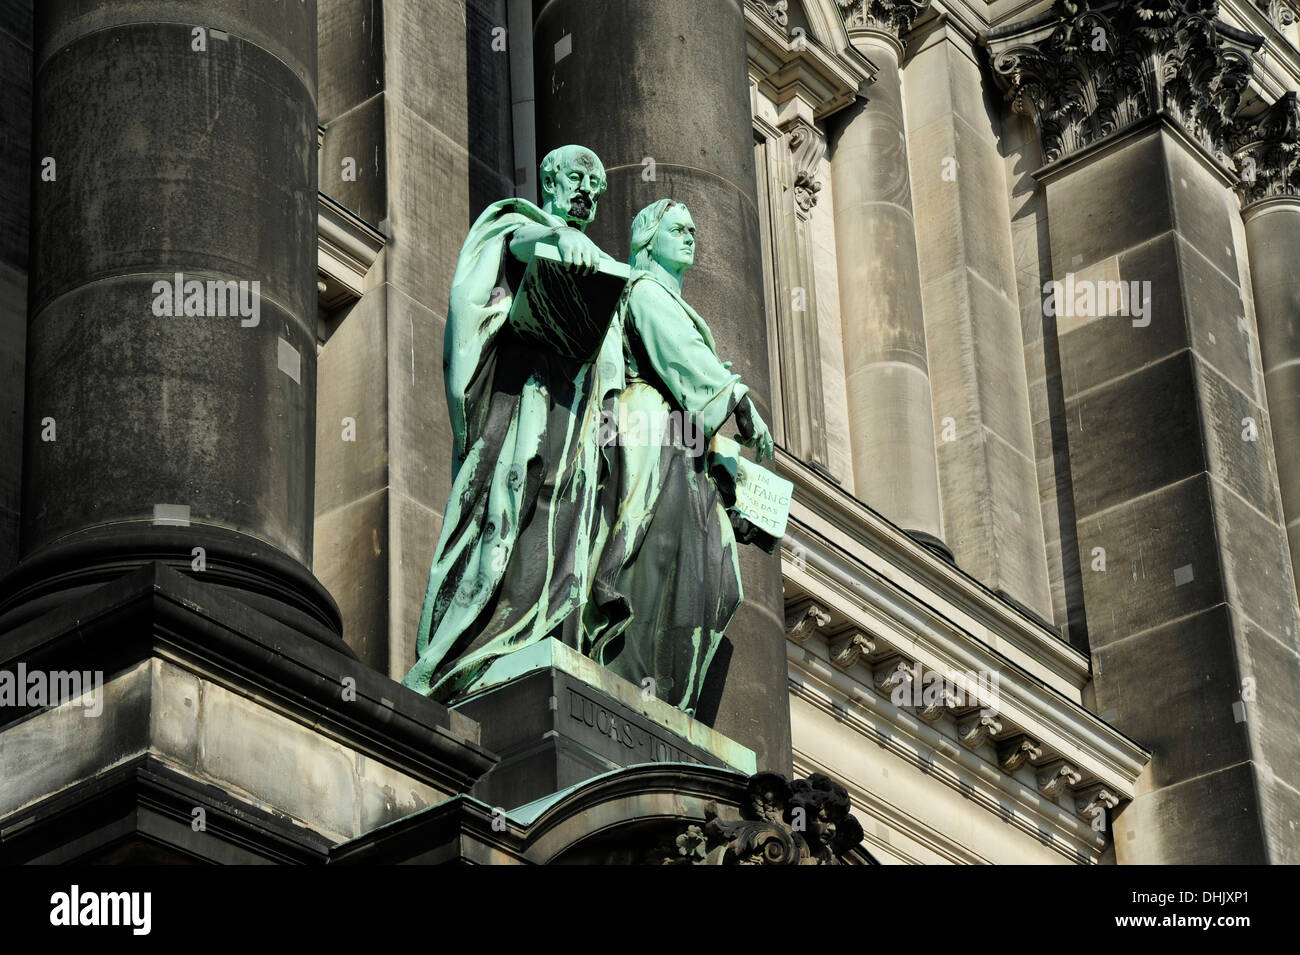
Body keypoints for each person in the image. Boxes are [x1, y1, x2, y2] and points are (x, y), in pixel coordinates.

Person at [403, 145, 618, 702]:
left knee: (562, 532)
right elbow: (512, 247)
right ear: (548, 180)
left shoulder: (597, 260)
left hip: (571, 425)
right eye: (577, 178)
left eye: (595, 187)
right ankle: (460, 651)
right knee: (502, 513)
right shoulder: (520, 220)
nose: (586, 192)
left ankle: (534, 635)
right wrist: (555, 239)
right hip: (518, 405)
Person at [584, 199, 773, 717]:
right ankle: (625, 668)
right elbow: (679, 360)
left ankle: (666, 690)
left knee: (702, 566)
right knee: (654, 547)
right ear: (649, 240)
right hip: (648, 428)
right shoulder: (645, 292)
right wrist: (736, 396)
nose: (690, 236)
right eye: (677, 229)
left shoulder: (669, 299)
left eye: (693, 228)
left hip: (681, 437)